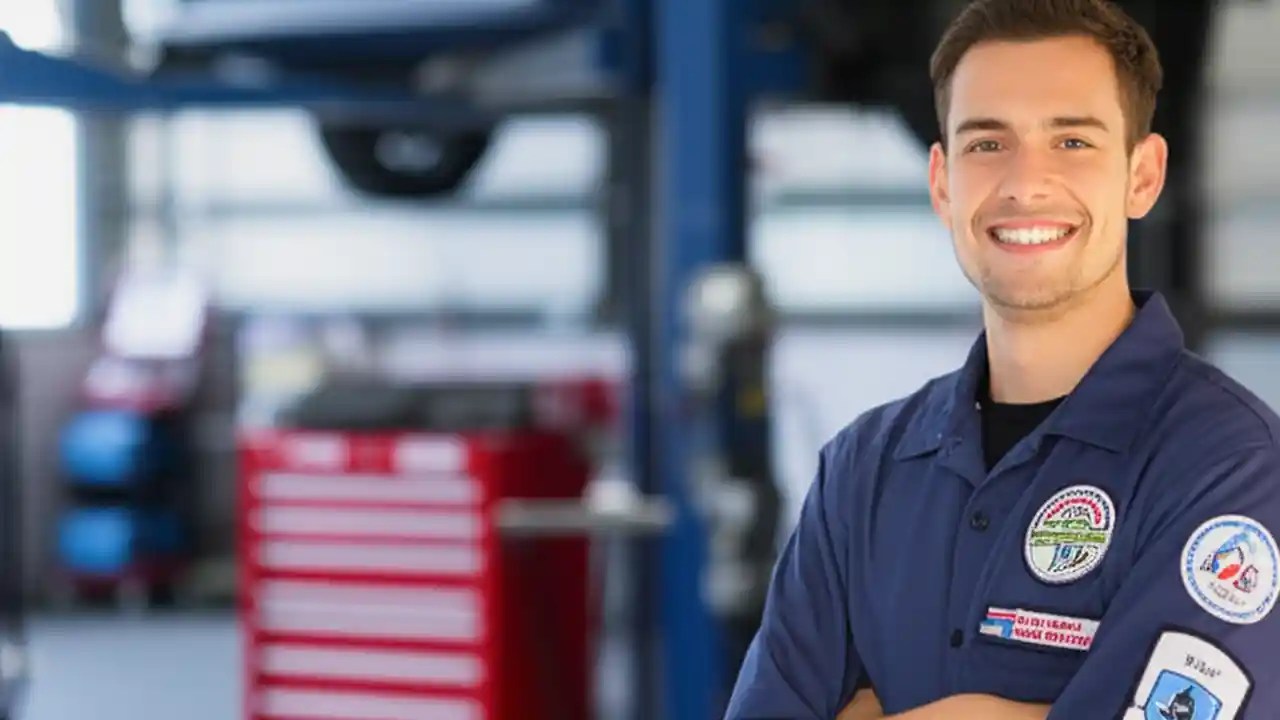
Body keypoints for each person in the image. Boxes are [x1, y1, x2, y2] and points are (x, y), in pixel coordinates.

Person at [725, 0, 1280, 718]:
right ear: (943, 182)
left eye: (1072, 142)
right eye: (988, 144)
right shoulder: (861, 474)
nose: (1024, 183)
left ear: (1143, 176)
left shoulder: (1229, 465)